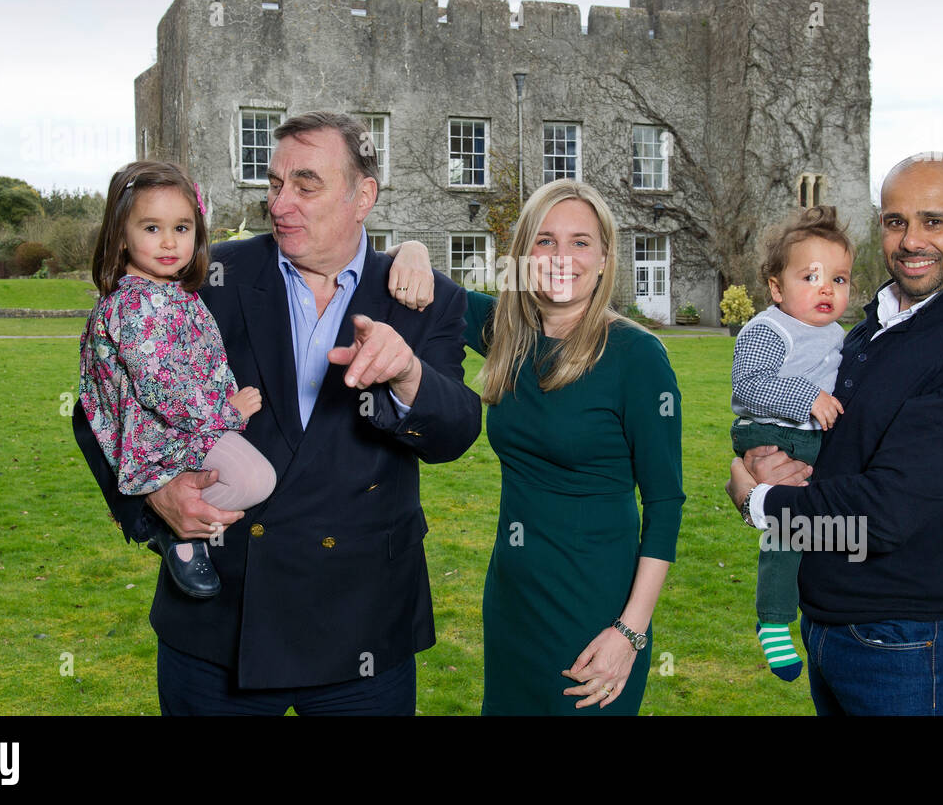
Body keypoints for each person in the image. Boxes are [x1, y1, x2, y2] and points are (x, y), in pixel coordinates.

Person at [72, 111, 481, 715]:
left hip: (364, 626)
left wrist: (408, 375)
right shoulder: (204, 275)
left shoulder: (421, 296)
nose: (280, 202)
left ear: (363, 195)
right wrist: (155, 498)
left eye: (306, 185)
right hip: (221, 625)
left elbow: (456, 431)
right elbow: (100, 401)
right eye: (274, 183)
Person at [727, 152, 943, 716]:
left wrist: (763, 501)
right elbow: (835, 448)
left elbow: (886, 512)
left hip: (915, 645)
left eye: (933, 221)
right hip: (830, 629)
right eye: (896, 221)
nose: (910, 239)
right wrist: (773, 462)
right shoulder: (867, 328)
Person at [398, 180, 685, 714]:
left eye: (580, 242)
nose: (561, 257)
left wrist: (629, 632)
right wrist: (411, 247)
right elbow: (417, 279)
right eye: (546, 241)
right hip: (514, 601)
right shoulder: (506, 332)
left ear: (603, 259)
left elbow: (666, 505)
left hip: (596, 613)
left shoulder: (638, 357)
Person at [79, 160, 276, 599]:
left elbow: (204, 359)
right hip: (161, 436)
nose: (169, 242)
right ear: (121, 235)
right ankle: (177, 534)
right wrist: (228, 412)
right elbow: (161, 387)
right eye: (152, 228)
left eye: (182, 228)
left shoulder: (171, 293)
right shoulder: (134, 305)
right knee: (254, 480)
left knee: (255, 478)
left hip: (187, 427)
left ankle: (183, 534)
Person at [729, 205, 852, 680]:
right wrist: (806, 397)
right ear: (777, 289)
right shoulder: (770, 329)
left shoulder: (840, 335)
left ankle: (801, 607)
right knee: (787, 528)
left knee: (813, 527)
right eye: (811, 277)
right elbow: (749, 385)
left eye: (839, 280)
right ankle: (774, 621)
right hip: (772, 432)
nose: (827, 288)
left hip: (805, 435)